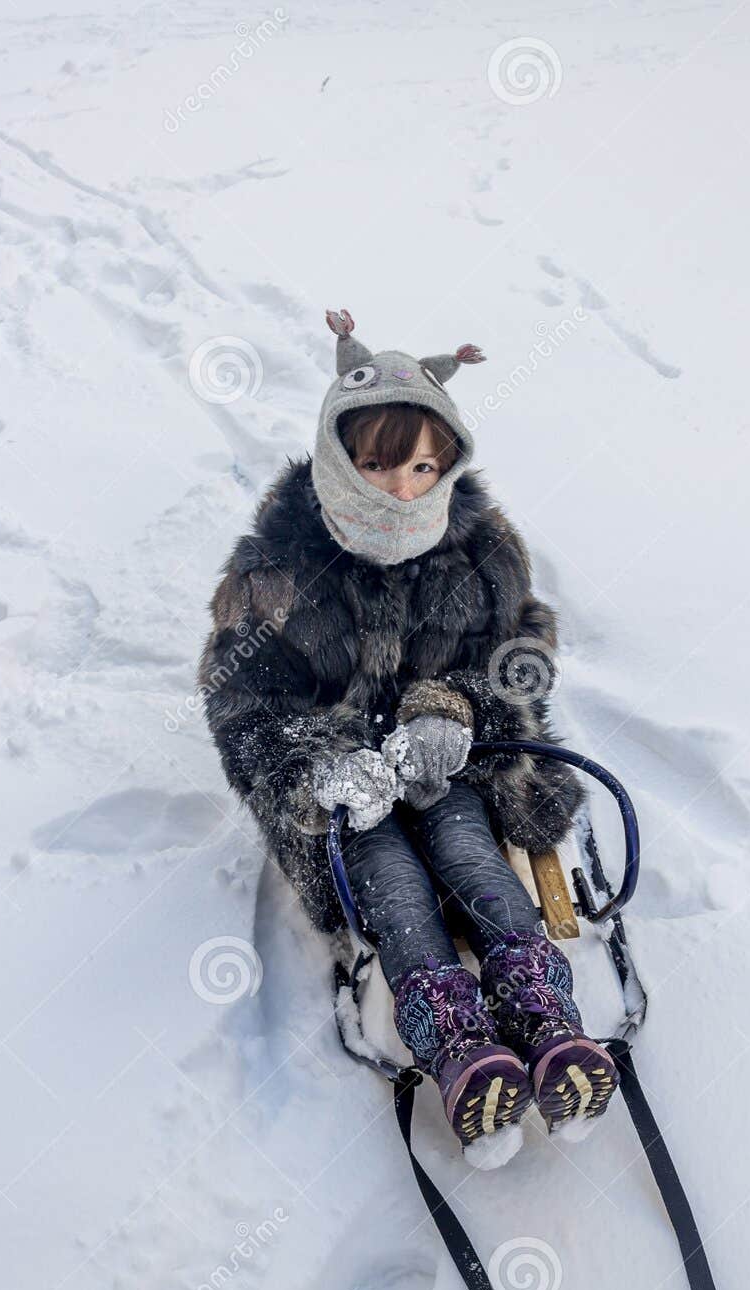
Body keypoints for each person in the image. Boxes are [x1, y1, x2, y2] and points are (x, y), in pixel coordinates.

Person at [199, 308, 617, 1163]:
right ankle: (454, 1038)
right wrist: (322, 759)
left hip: (450, 767)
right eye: (381, 465)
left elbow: (522, 651)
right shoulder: (273, 570)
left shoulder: (481, 547)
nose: (404, 489)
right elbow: (239, 701)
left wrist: (457, 708)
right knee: (390, 876)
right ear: (339, 456)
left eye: (424, 466)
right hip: (350, 789)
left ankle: (545, 1011)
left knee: (469, 857)